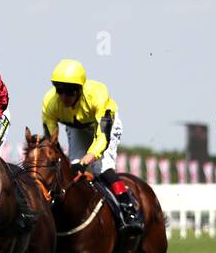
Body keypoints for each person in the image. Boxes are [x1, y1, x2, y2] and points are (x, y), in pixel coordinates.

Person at [42, 59, 142, 233]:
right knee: (73, 169)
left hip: (103, 127)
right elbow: (52, 142)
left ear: (79, 90)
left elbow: (102, 139)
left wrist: (86, 160)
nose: (64, 97)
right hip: (77, 128)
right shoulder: (50, 103)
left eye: (69, 92)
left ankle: (127, 207)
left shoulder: (98, 95)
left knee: (101, 167)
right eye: (60, 91)